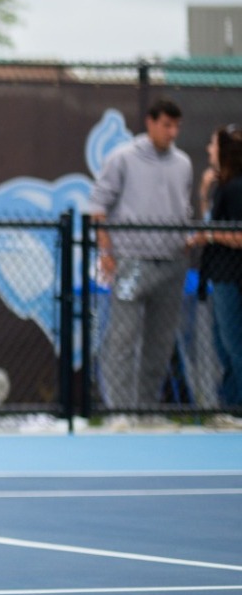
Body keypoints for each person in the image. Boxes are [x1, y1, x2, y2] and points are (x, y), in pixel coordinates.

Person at [91, 100, 196, 411]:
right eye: (166, 125)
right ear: (150, 123)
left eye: (176, 126)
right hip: (131, 261)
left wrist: (184, 240)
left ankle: (146, 409)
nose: (172, 132)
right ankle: (120, 411)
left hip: (173, 263)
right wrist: (106, 252)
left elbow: (184, 207)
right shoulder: (122, 158)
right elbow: (98, 208)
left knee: (160, 343)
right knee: (122, 338)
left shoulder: (183, 163)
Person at [192, 124, 242, 408]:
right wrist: (203, 191)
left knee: (234, 344)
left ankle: (236, 405)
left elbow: (235, 236)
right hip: (220, 275)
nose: (209, 150)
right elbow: (211, 223)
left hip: (232, 276)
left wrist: (209, 236)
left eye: (213, 145)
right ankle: (231, 404)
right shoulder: (224, 186)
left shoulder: (236, 188)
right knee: (223, 344)